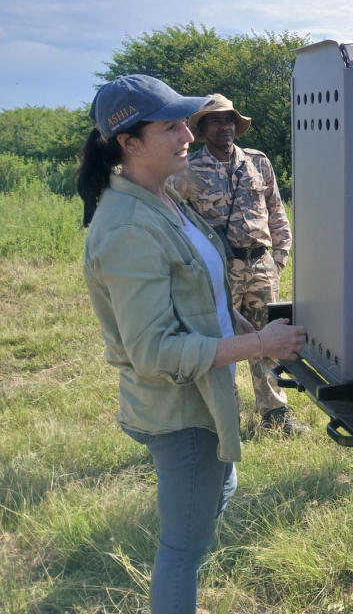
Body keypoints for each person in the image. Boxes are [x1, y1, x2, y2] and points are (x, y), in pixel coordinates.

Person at [78, 75, 306, 614]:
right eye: (171, 127)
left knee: (219, 492)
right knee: (183, 547)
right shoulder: (129, 227)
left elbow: (200, 284)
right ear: (130, 143)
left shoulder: (163, 200)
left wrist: (240, 324)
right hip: (179, 410)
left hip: (207, 396)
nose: (188, 134)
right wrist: (259, 345)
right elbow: (154, 352)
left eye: (186, 123)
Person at [168, 94, 308, 434]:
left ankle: (275, 415)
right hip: (219, 271)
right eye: (215, 120)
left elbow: (276, 211)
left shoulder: (257, 162)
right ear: (202, 129)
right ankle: (225, 418)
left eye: (229, 119)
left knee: (268, 340)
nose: (224, 126)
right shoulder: (187, 171)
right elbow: (175, 223)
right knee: (222, 343)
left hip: (261, 267)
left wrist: (279, 258)